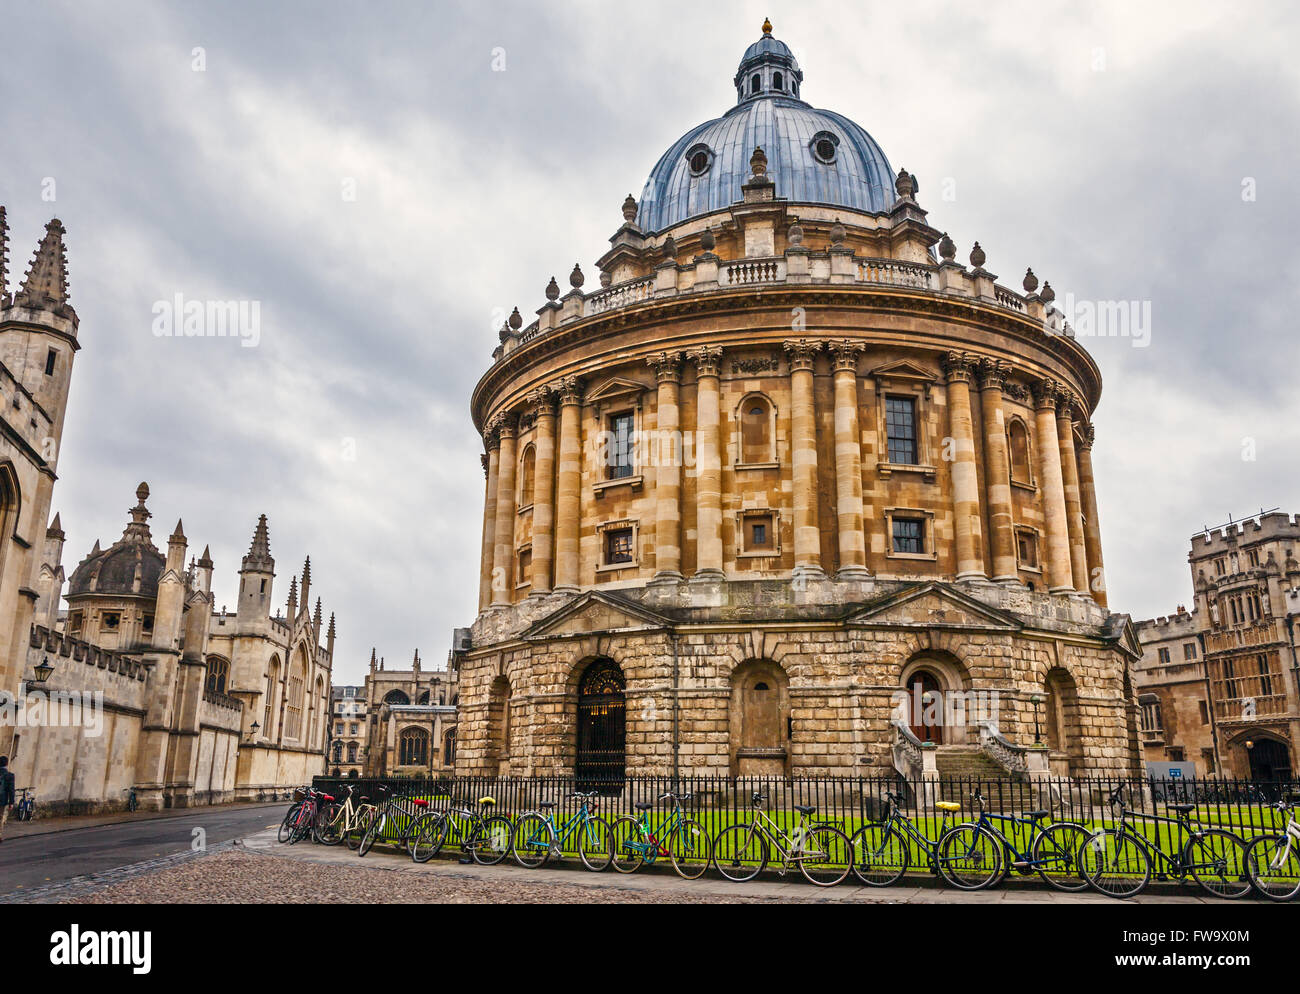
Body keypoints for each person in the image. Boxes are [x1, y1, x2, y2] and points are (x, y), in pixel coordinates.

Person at [0, 756, 14, 842]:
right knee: (0, 817)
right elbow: (11, 790)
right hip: (2, 800)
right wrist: (11, 802)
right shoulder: (10, 775)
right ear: (7, 764)